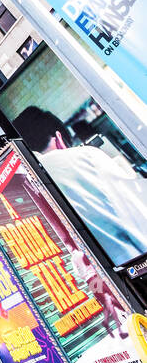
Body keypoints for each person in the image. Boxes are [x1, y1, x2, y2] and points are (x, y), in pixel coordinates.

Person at [12, 105, 147, 266]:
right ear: (59, 138)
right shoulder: (85, 155)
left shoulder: (27, 186)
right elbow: (134, 206)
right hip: (136, 257)